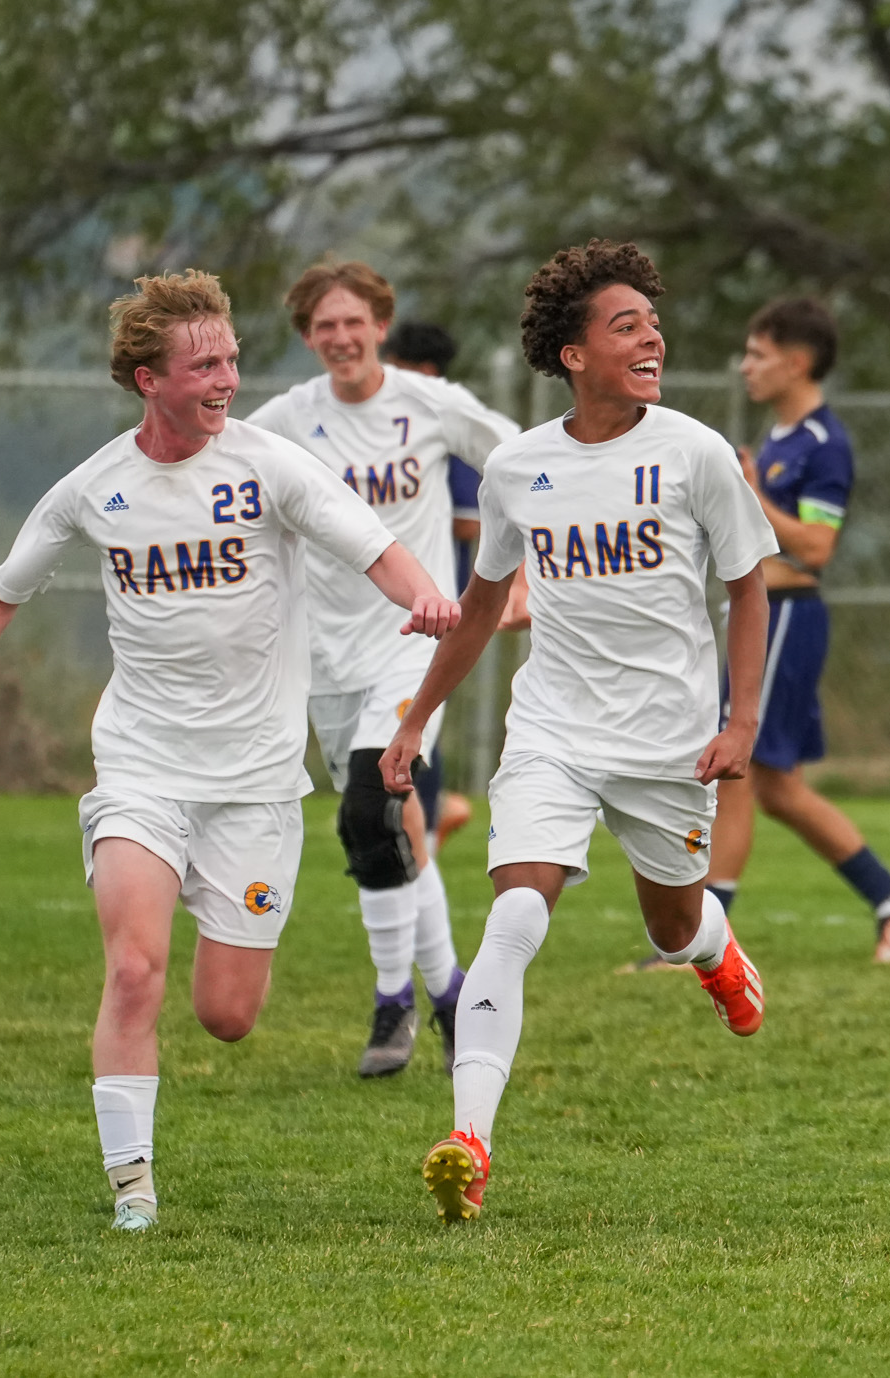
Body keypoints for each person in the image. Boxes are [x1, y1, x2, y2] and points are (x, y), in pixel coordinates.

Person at [0, 270, 458, 1231]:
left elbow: (377, 548)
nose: (227, 378)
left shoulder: (271, 467)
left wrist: (426, 598)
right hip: (142, 767)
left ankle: (200, 1026)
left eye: (231, 358)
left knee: (228, 1015)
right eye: (206, 365)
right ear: (149, 379)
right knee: (135, 969)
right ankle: (132, 1186)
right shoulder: (96, 487)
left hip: (257, 783)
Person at [376, 239, 778, 1223]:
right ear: (571, 354)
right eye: (625, 325)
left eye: (651, 322)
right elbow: (480, 607)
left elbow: (747, 588)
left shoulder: (692, 453)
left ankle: (715, 952)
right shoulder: (517, 466)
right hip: (551, 727)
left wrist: (742, 723)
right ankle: (468, 1137)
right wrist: (415, 721)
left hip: (668, 741)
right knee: (515, 913)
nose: (652, 339)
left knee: (668, 924)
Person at [247, 266, 519, 1078]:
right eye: (323, 327)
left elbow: (520, 459)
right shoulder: (289, 420)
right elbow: (219, 467)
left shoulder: (428, 403)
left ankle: (392, 997)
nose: (340, 338)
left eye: (353, 322)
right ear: (307, 337)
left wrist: (526, 572)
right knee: (392, 830)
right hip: (326, 652)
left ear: (380, 324)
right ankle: (444, 993)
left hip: (415, 636)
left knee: (373, 808)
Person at [675, 297, 890, 966]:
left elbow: (816, 547)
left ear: (796, 363)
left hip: (787, 619)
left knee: (732, 775)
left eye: (758, 355)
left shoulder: (824, 443)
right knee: (777, 791)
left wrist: (749, 493)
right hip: (760, 620)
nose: (745, 367)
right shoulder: (779, 440)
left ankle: (707, 942)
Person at [380, 320, 483, 849]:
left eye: (391, 365)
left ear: (422, 371)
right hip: (389, 598)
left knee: (418, 711)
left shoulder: (443, 422)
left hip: (441, 597)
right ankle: (435, 810)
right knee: (412, 710)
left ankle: (431, 820)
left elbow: (471, 518)